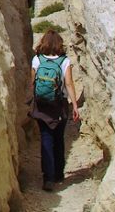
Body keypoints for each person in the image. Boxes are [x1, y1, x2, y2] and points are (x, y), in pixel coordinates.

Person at [30, 29, 80, 191]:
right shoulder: (64, 61)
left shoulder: (37, 60)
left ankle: (48, 178)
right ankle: (58, 173)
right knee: (58, 139)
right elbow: (69, 83)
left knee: (46, 139)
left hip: (42, 105)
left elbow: (32, 83)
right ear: (60, 44)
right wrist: (75, 105)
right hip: (59, 105)